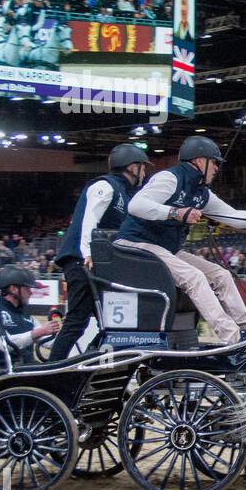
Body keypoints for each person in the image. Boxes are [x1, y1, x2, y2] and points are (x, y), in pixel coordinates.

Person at [114, 136, 246, 345]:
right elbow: (136, 205)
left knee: (221, 275)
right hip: (134, 245)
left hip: (164, 249)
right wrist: (176, 212)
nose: (217, 167)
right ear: (200, 161)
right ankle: (233, 338)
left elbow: (234, 217)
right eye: (215, 162)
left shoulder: (202, 194)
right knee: (194, 277)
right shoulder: (170, 178)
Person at [49, 144, 152, 360]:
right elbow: (90, 220)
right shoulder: (105, 185)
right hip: (82, 261)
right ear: (132, 167)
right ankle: (51, 369)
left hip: (98, 265)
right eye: (143, 167)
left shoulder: (125, 193)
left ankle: (89, 360)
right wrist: (87, 252)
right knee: (77, 321)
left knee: (113, 324)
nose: (145, 172)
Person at [0, 265, 60, 374]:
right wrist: (38, 332)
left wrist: (65, 333)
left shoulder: (29, 318)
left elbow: (49, 343)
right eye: (27, 288)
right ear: (13, 289)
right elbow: (3, 344)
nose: (31, 292)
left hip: (25, 370)